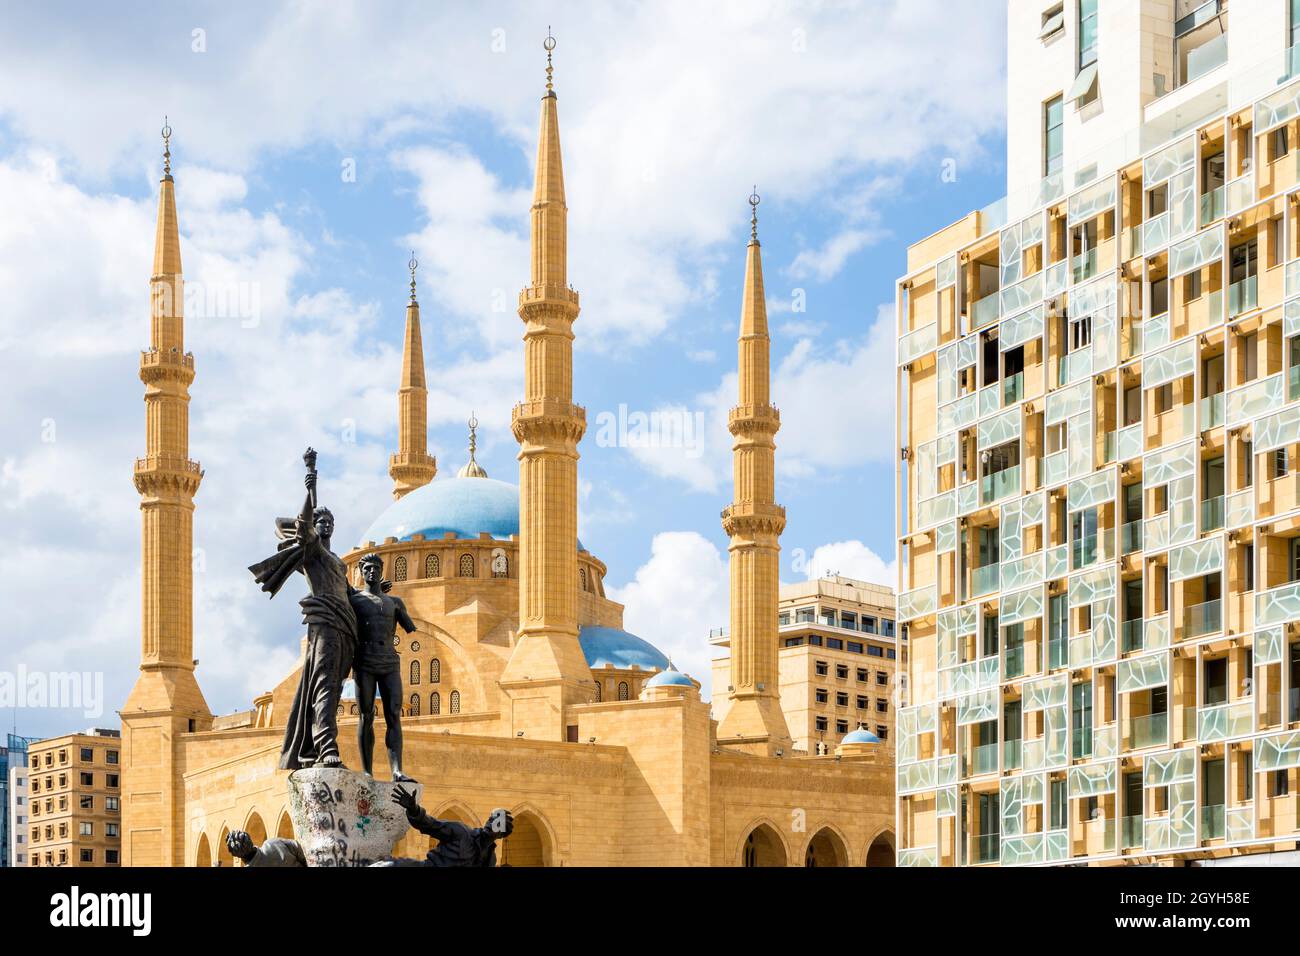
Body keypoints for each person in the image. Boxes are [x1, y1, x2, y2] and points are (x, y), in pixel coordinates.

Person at [249, 448, 357, 770]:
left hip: (346, 627)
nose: (325, 525)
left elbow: (350, 594)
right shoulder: (312, 552)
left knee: (335, 689)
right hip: (324, 622)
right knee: (323, 685)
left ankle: (321, 744)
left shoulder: (338, 562)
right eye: (321, 521)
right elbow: (303, 524)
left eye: (330, 521)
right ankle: (326, 748)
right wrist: (311, 484)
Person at [350, 553, 417, 781]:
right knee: (366, 715)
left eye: (375, 568)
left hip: (389, 661)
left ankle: (397, 770)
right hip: (364, 661)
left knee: (393, 715)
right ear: (360, 572)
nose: (371, 572)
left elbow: (410, 627)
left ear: (381, 571)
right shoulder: (354, 601)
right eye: (367, 568)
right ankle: (367, 770)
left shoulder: (395, 602)